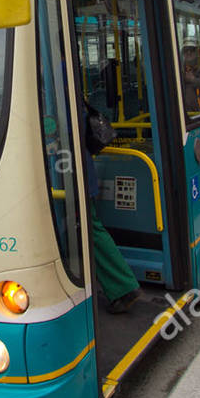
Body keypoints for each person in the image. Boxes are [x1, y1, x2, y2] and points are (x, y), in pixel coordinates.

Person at [81, 104, 140, 313]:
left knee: (90, 229)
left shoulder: (55, 92)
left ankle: (124, 288)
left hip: (73, 177)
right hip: (78, 175)